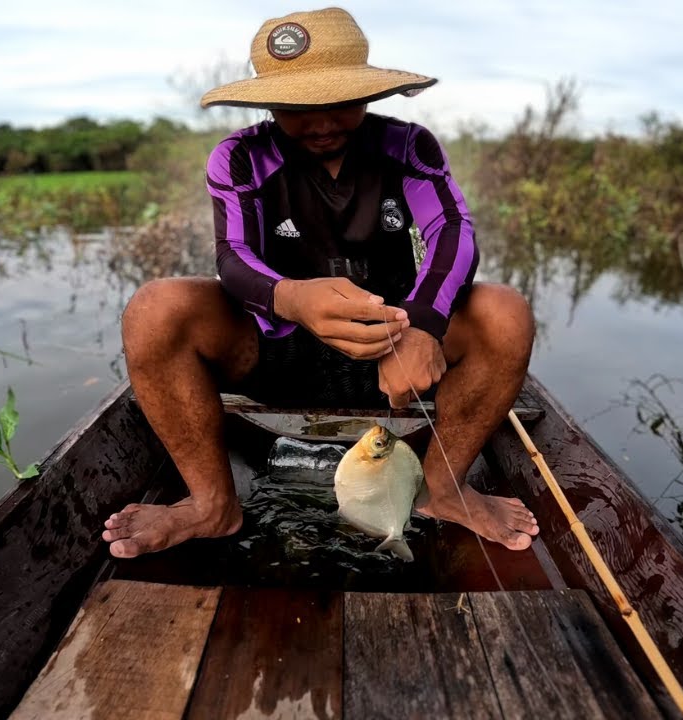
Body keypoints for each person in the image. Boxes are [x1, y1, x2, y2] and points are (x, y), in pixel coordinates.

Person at [102, 7, 539, 557]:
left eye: (342, 102)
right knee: (154, 308)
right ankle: (212, 504)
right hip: (275, 348)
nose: (323, 123)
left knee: (506, 312)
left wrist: (425, 325)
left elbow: (452, 228)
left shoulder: (407, 147)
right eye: (298, 108)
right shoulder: (239, 157)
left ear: (369, 93)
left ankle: (445, 490)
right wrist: (292, 298)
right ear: (268, 102)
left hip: (395, 352)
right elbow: (232, 256)